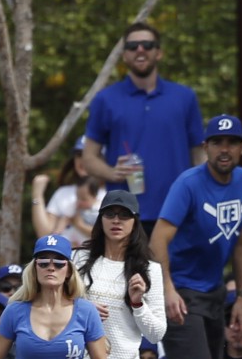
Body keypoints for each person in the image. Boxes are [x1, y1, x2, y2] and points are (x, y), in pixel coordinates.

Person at [150, 113, 242, 359]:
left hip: (214, 289)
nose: (224, 149)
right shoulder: (188, 184)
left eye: (232, 142)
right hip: (181, 289)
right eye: (217, 142)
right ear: (206, 147)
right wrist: (167, 289)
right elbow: (157, 239)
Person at [80, 21, 205, 228]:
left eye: (147, 45)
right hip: (124, 216)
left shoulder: (184, 97)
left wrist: (201, 197)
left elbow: (200, 155)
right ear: (124, 55)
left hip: (178, 213)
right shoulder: (105, 99)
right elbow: (88, 158)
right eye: (132, 46)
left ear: (159, 53)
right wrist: (112, 173)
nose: (140, 50)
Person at [77, 191, 164, 359]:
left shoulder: (150, 269)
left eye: (124, 215)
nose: (116, 220)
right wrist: (82, 309)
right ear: (100, 219)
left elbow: (156, 334)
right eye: (110, 214)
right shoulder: (78, 258)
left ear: (135, 221)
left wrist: (137, 303)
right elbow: (56, 307)